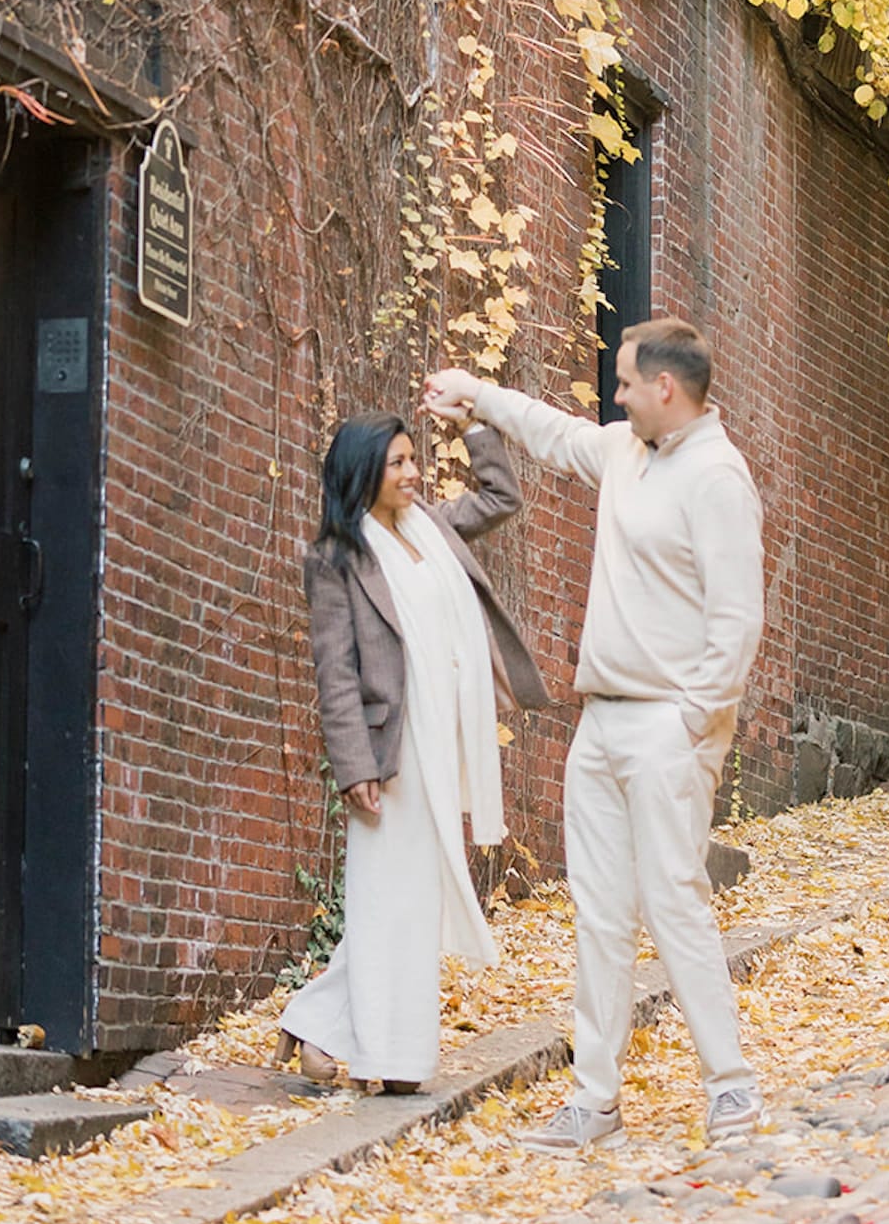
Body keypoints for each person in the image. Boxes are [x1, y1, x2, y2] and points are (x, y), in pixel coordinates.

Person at [425, 317, 765, 1149]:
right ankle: (595, 1099)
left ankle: (730, 1086)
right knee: (600, 915)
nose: (616, 396)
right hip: (600, 720)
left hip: (666, 725)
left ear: (665, 387)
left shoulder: (718, 477)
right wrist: (478, 396)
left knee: (675, 902)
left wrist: (692, 724)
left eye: (625, 382)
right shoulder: (623, 451)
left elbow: (737, 619)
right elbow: (554, 432)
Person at [275, 409, 548, 1094]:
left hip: (442, 739)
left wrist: (476, 423)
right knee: (387, 898)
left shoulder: (432, 526)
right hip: (389, 751)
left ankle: (333, 1027)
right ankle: (386, 1056)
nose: (412, 472)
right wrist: (354, 767)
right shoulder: (336, 559)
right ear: (364, 472)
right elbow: (335, 673)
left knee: (409, 897)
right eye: (397, 463)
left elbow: (502, 496)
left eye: (412, 459)